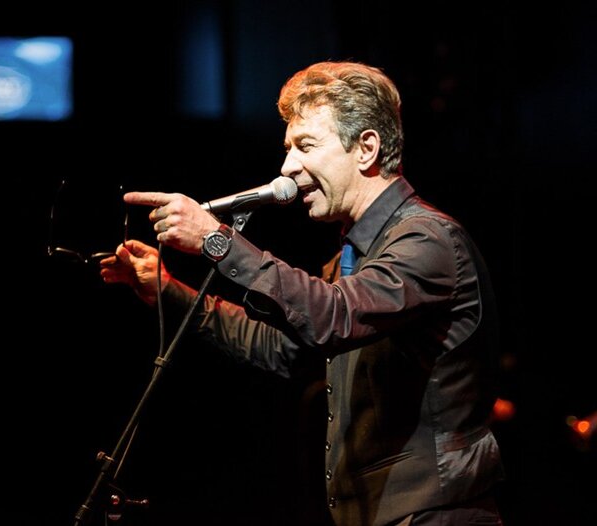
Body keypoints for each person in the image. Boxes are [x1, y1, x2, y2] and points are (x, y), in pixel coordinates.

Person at [100, 61, 505, 526]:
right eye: (288, 148)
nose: (288, 166)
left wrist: (216, 240)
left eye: (306, 146)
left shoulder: (428, 240)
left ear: (366, 148)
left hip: (436, 515)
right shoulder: (351, 259)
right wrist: (168, 290)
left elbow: (334, 315)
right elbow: (280, 346)